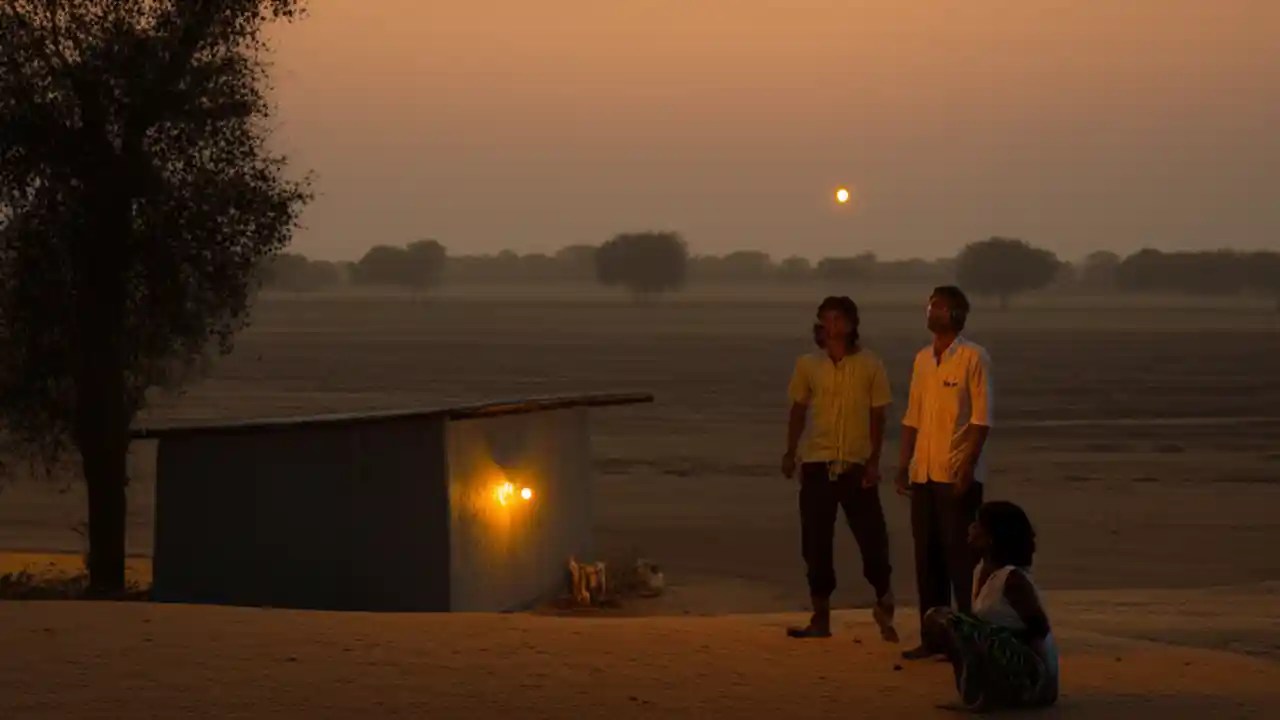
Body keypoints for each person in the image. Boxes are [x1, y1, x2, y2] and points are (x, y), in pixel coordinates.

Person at [783, 296, 897, 642]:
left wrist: (874, 462)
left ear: (851, 324)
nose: (832, 325)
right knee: (815, 544)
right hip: (817, 464)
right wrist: (790, 451)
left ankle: (884, 601)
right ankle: (821, 617)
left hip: (855, 466)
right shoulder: (808, 365)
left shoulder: (870, 364)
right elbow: (798, 409)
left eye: (838, 318)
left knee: (872, 540)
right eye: (826, 319)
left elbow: (878, 415)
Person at [895, 285, 993, 660]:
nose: (930, 312)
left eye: (938, 307)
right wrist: (903, 465)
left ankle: (967, 639)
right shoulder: (922, 360)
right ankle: (933, 637)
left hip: (956, 475)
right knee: (927, 558)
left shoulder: (974, 358)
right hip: (924, 474)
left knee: (961, 560)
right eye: (929, 305)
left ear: (955, 315)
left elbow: (982, 419)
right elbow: (912, 418)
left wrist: (968, 466)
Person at [921, 501, 1059, 710]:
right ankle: (977, 693)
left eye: (977, 525)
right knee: (942, 618)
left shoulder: (1012, 579)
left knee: (952, 623)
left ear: (991, 538)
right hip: (1011, 666)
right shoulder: (982, 571)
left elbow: (1039, 629)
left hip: (1034, 676)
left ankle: (994, 695)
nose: (971, 528)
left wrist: (1035, 678)